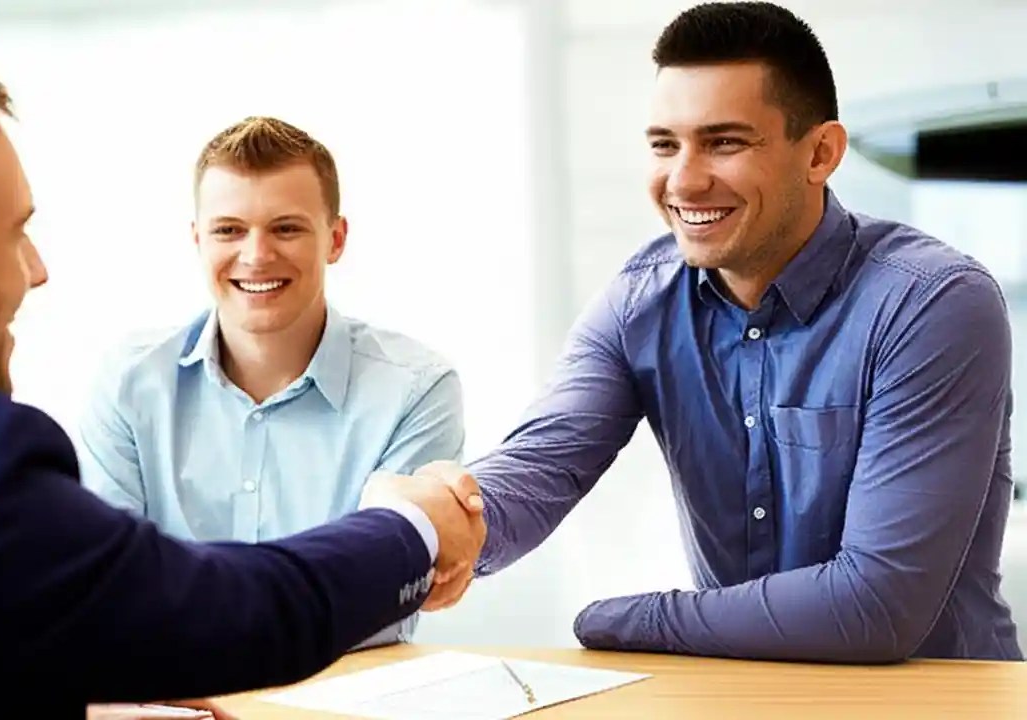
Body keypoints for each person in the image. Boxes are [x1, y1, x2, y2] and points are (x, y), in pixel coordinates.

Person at [0, 30, 484, 719]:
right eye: (15, 232)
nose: (38, 270)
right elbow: (242, 614)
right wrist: (413, 524)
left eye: (285, 227)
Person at [419, 1, 1021, 662]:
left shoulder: (931, 303)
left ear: (821, 153)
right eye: (664, 145)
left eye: (724, 142)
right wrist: (426, 522)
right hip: (743, 691)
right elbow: (537, 469)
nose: (683, 180)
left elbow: (874, 606)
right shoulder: (638, 304)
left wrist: (619, 621)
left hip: (938, 698)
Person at [78, 116, 464, 647]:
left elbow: (379, 594)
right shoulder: (128, 384)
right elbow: (106, 591)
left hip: (347, 688)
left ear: (335, 239)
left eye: (286, 228)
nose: (256, 255)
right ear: (197, 240)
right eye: (228, 230)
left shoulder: (417, 392)